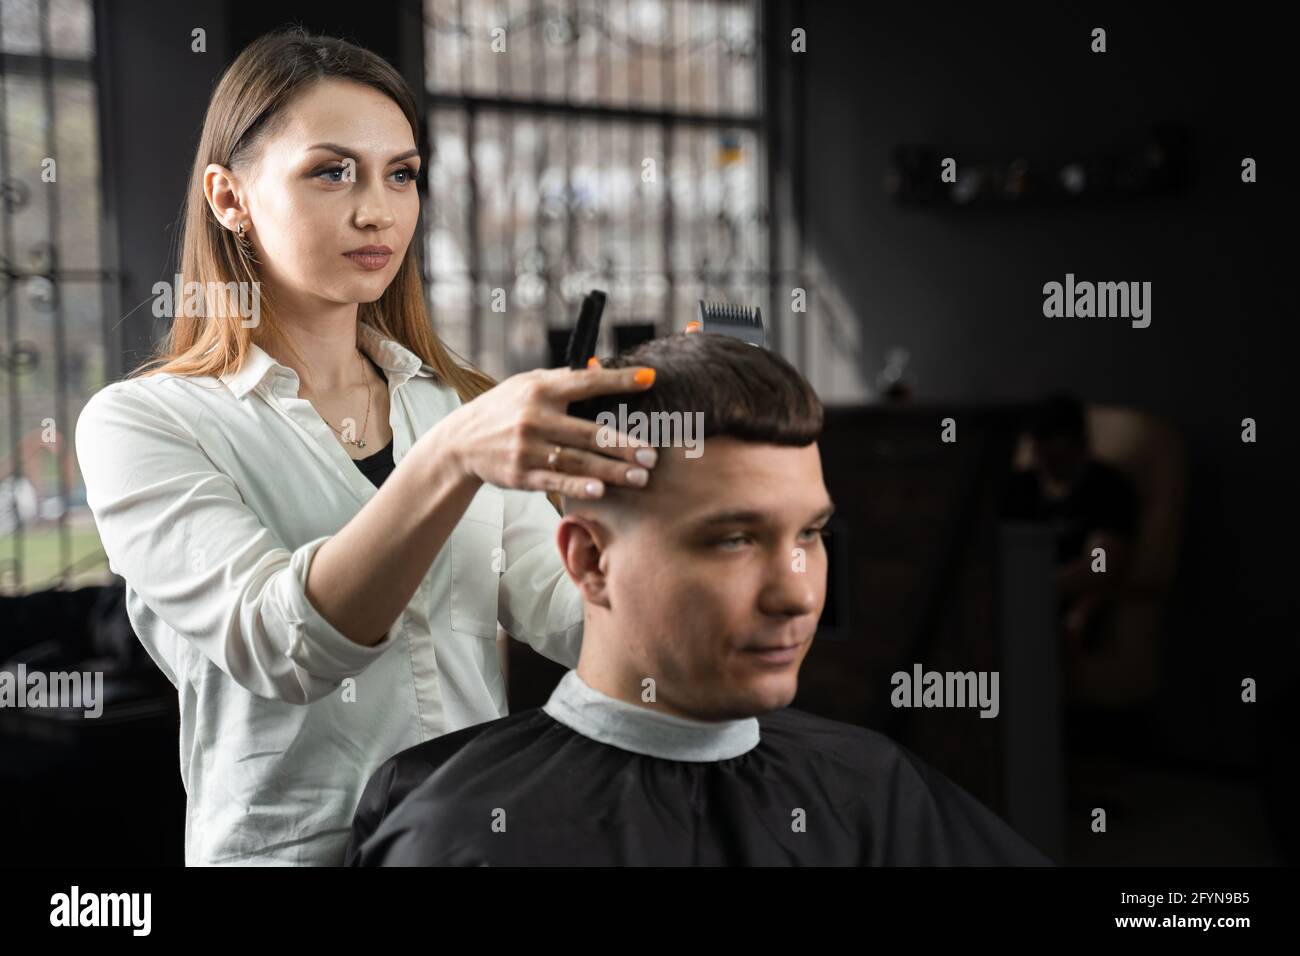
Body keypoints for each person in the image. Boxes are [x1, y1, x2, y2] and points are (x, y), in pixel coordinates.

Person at [73, 28, 661, 866]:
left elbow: (572, 619)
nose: (377, 209)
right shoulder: (143, 424)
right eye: (331, 170)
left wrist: (662, 523)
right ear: (229, 197)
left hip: (465, 845)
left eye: (403, 174)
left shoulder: (453, 404)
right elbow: (284, 646)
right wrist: (452, 460)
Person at [347, 334, 1052, 866]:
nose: (796, 592)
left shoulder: (878, 788)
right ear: (591, 560)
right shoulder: (462, 836)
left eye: (811, 532)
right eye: (734, 540)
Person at [1001, 394, 1140, 657]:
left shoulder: (1108, 489)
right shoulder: (1019, 488)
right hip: (1010, 600)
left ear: (1082, 444)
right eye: (1038, 448)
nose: (1044, 461)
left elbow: (1101, 567)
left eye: (1055, 452)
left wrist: (1035, 588)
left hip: (1066, 604)